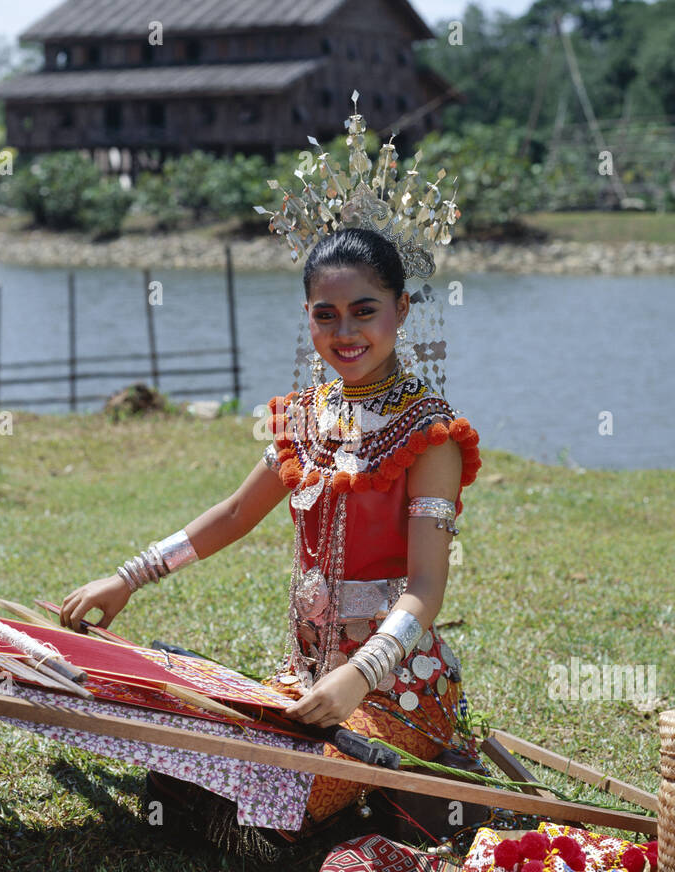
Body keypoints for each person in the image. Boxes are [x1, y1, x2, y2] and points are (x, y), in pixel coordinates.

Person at [59, 101, 482, 834]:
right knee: (182, 766)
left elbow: (424, 589)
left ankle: (397, 765)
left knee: (269, 807)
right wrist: (125, 578)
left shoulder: (430, 434)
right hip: (306, 682)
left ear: (403, 312)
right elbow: (231, 515)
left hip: (392, 690)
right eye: (325, 315)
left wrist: (359, 677)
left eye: (364, 311)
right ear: (308, 315)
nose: (344, 332)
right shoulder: (302, 420)